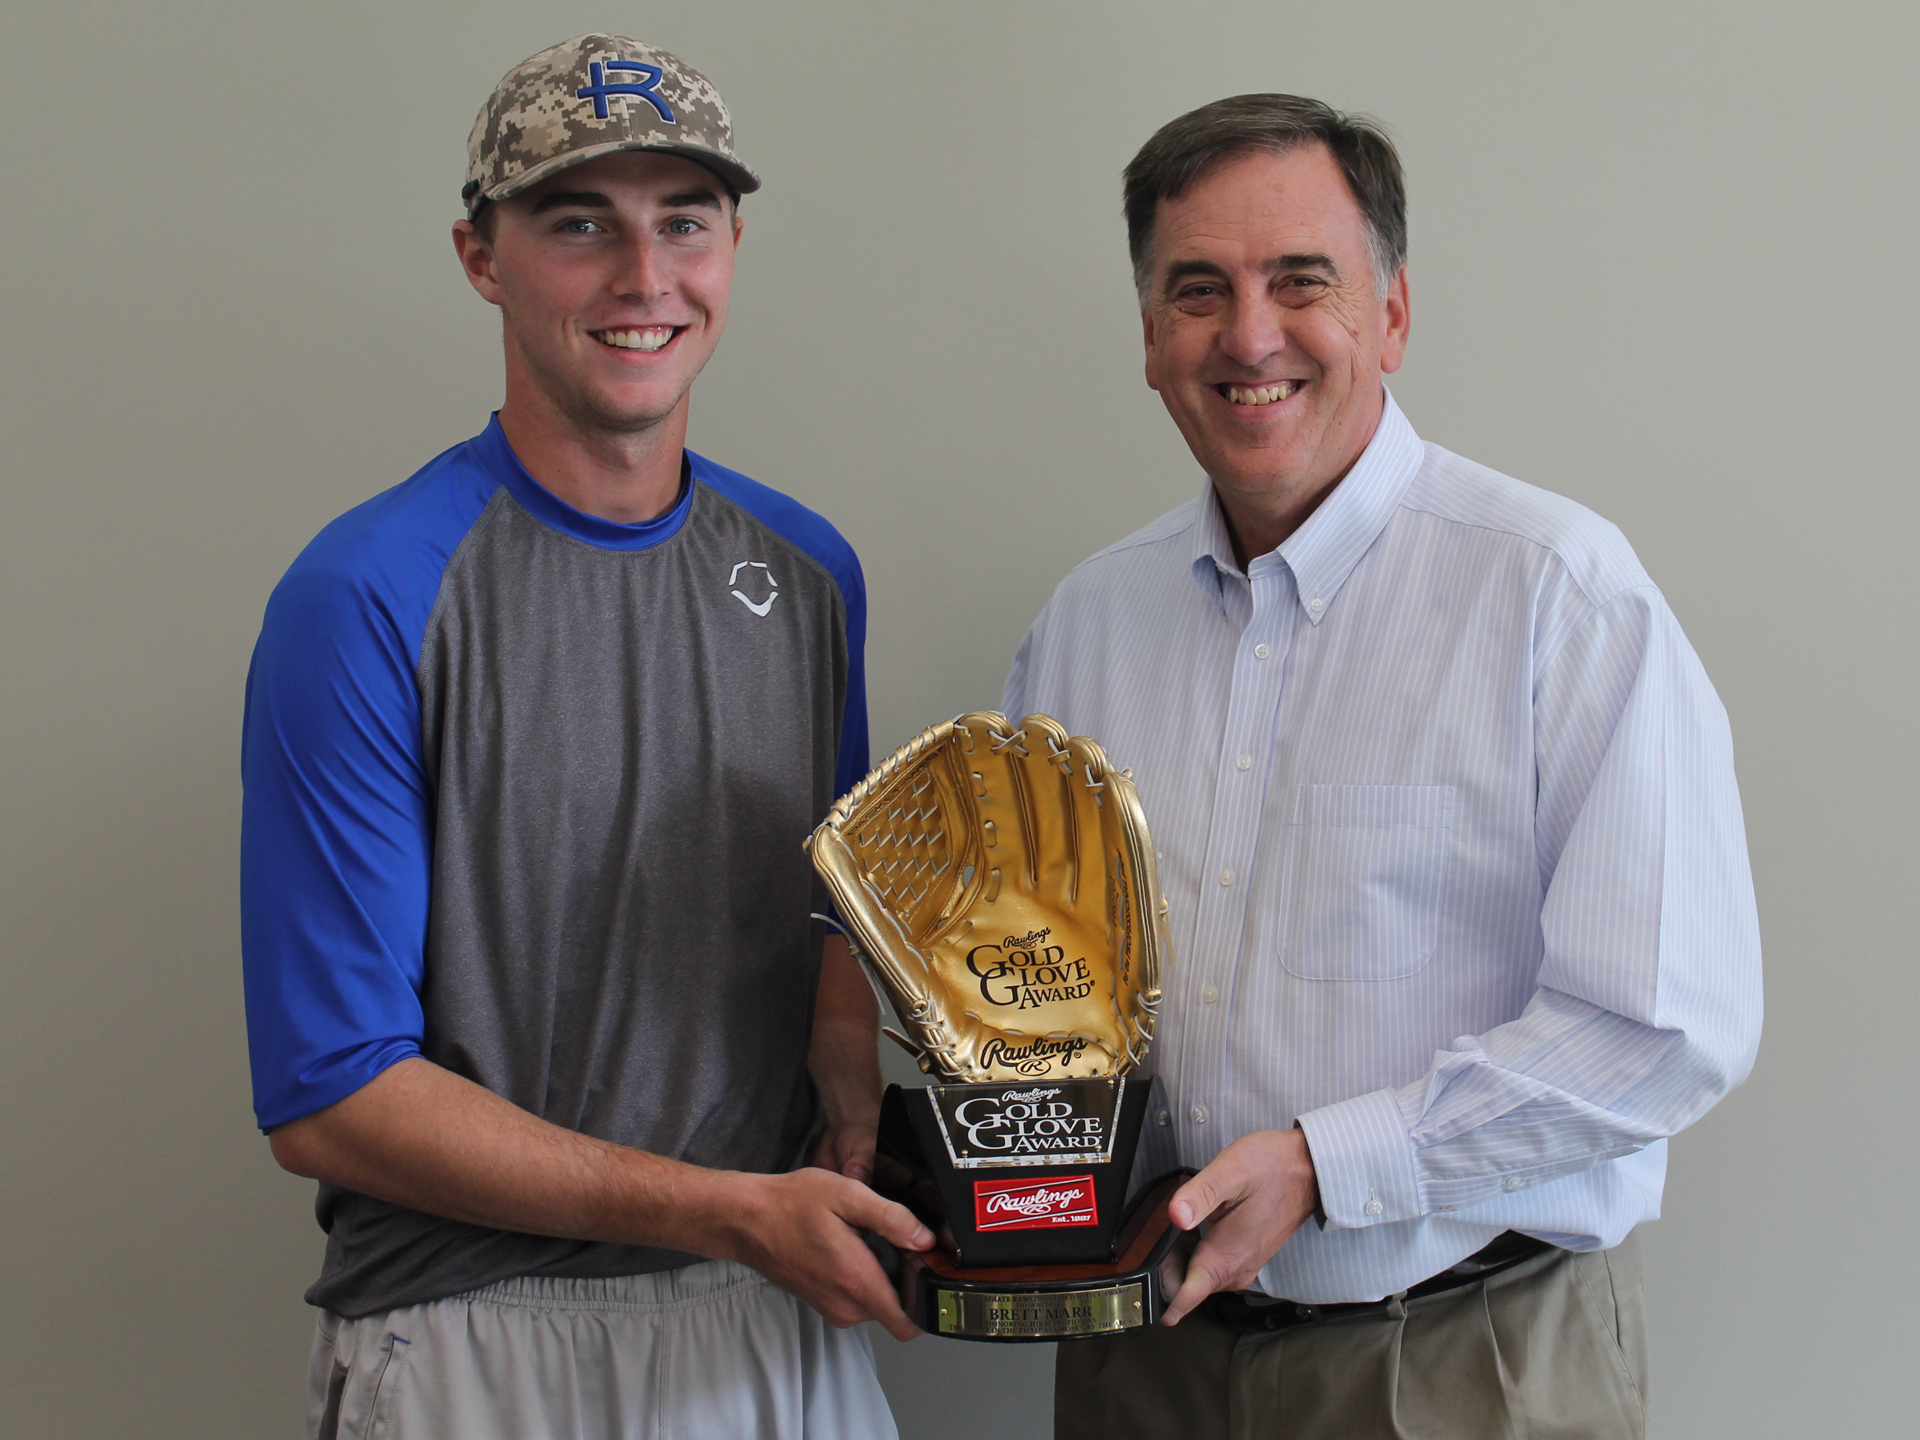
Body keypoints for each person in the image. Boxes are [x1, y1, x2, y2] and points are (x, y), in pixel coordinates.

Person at [1002, 94, 1762, 1439]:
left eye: (1305, 284)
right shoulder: (1084, 630)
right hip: (1143, 1363)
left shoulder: (1559, 598)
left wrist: (1328, 1166)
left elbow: (1664, 1027)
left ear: (1393, 315)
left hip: (1464, 1364)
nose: (1248, 337)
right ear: (1149, 339)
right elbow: (1028, 983)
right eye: (1198, 291)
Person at [240, 35, 928, 1440]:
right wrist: (729, 1212)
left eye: (684, 219)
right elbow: (332, 1095)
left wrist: (844, 1029)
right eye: (578, 224)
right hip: (475, 1333)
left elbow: (824, 905)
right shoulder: (368, 593)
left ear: (734, 243)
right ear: (479, 256)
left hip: (770, 1318)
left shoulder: (808, 575)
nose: (643, 277)